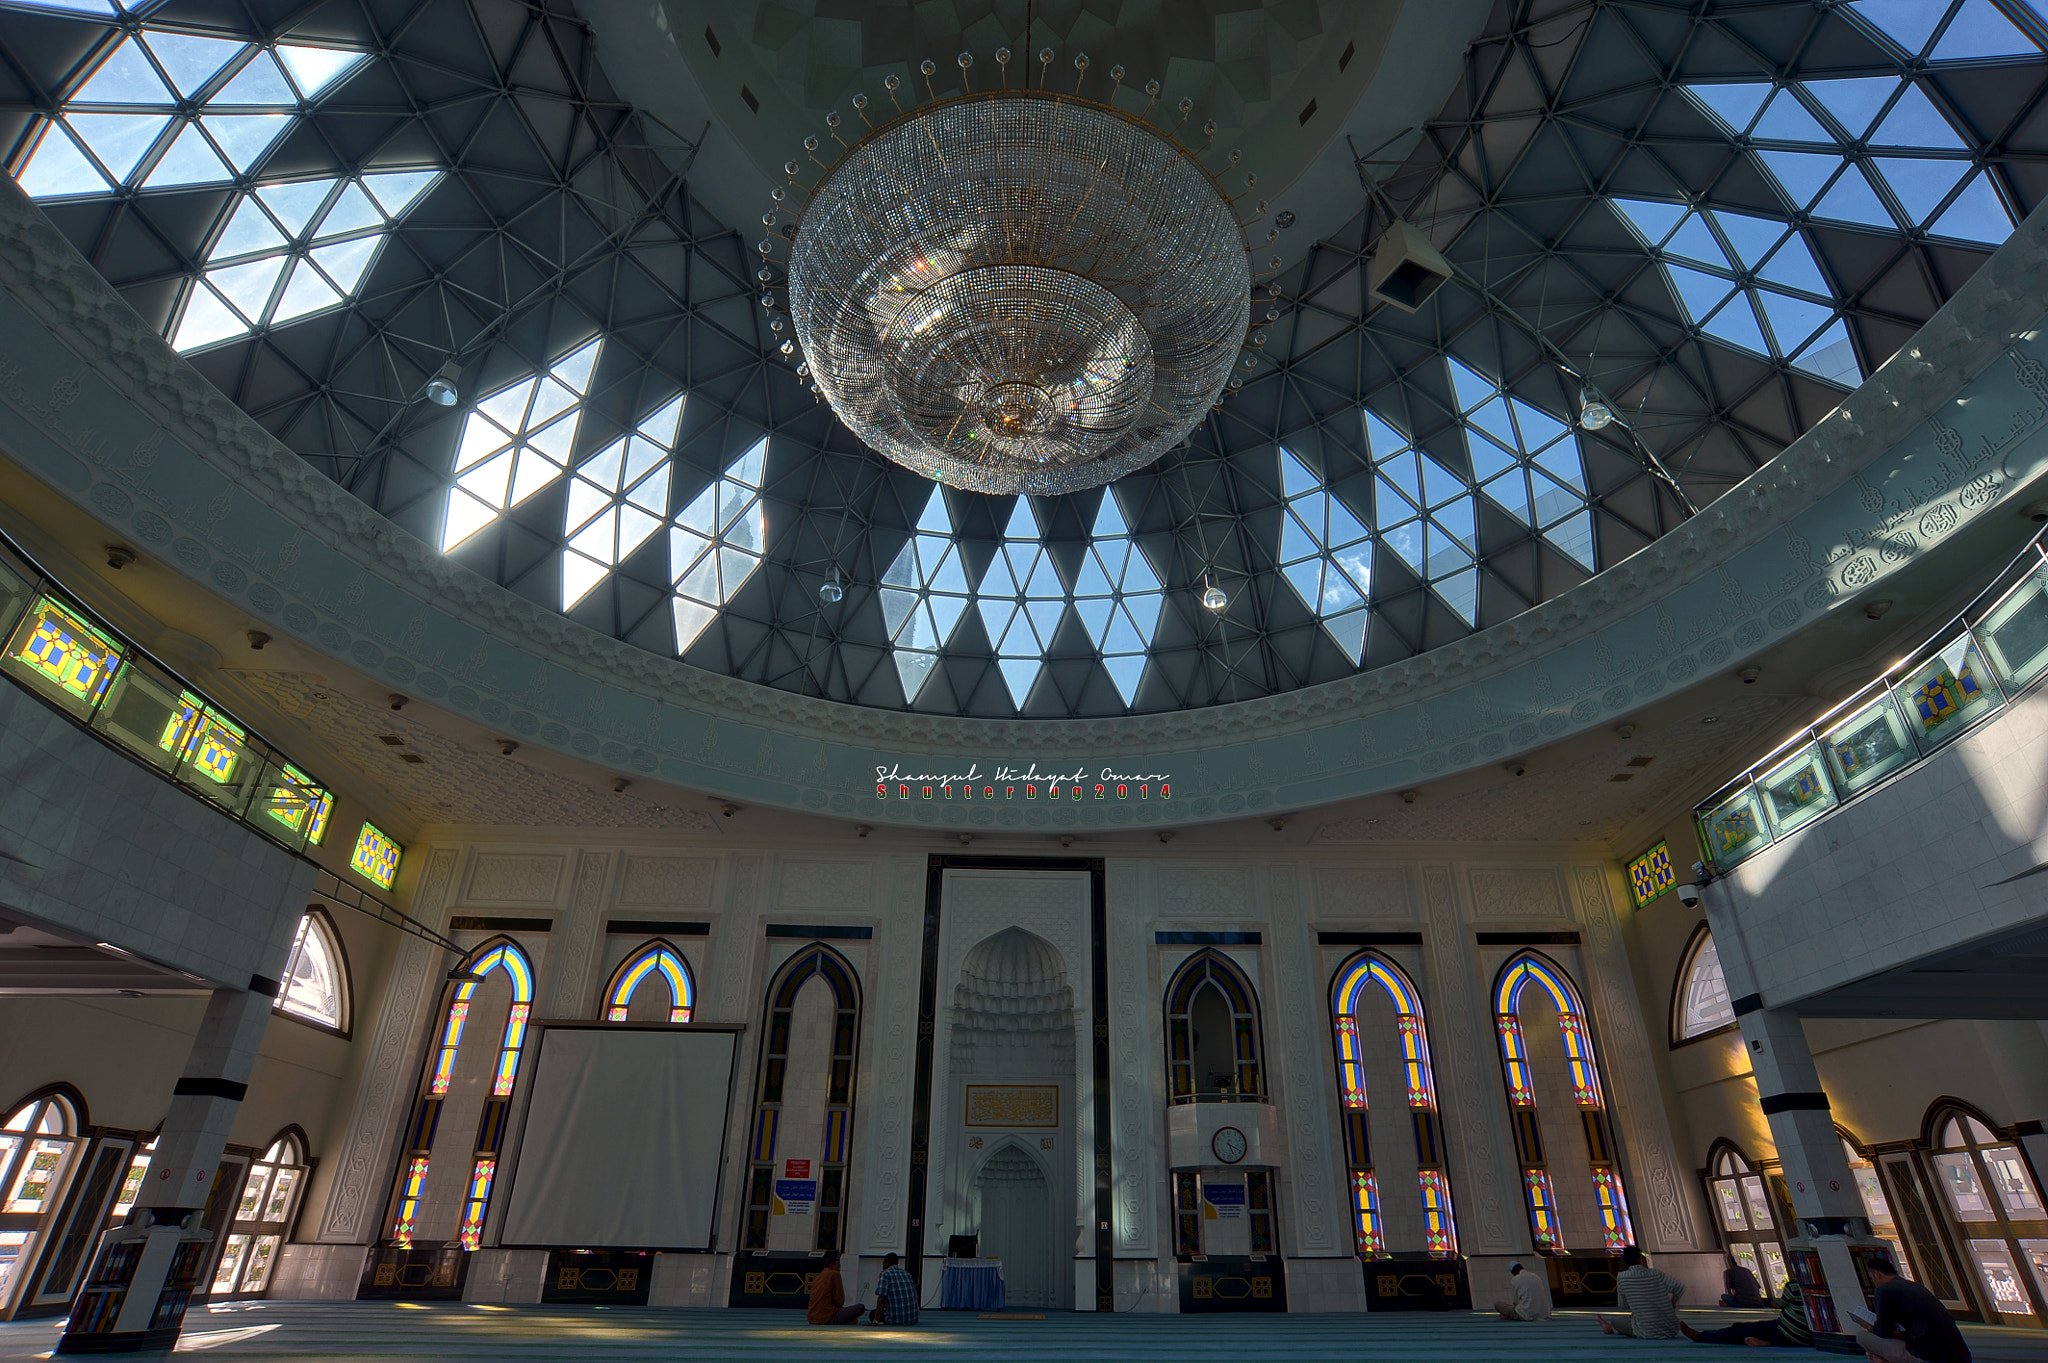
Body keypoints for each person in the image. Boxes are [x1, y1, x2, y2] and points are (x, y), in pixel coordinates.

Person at [1855, 1257, 1971, 1363]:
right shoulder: (1915, 1286)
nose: (1873, 1283)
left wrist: (1868, 1326)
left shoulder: (1884, 1290)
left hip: (1929, 1355)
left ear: (1877, 1274)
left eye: (1872, 1278)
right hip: (1960, 1355)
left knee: (1862, 1337)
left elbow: (1884, 1331)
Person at [1680, 1276, 1813, 1347]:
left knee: (1739, 1330)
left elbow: (1776, 1304)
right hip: (1809, 1339)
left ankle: (1700, 1336)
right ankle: (1767, 1342)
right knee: (1765, 1326)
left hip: (1787, 1332)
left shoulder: (1796, 1286)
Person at [1597, 1245, 1686, 1339]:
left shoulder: (1622, 1278)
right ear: (1639, 1259)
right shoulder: (1656, 1273)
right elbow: (1679, 1288)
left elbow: (1623, 1306)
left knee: (1616, 1321)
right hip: (1671, 1329)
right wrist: (1673, 1303)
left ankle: (1610, 1328)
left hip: (1647, 1330)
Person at [806, 1251, 865, 1325]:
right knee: (860, 1307)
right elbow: (839, 1301)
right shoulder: (834, 1274)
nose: (840, 1267)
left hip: (812, 1317)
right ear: (832, 1265)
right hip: (827, 1316)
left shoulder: (819, 1276)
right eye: (838, 1264)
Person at [868, 1251, 920, 1326]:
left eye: (883, 1263)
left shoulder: (885, 1274)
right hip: (913, 1319)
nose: (882, 1265)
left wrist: (875, 1321)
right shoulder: (907, 1274)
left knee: (872, 1314)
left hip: (894, 1319)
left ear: (887, 1263)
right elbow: (915, 1296)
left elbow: (881, 1298)